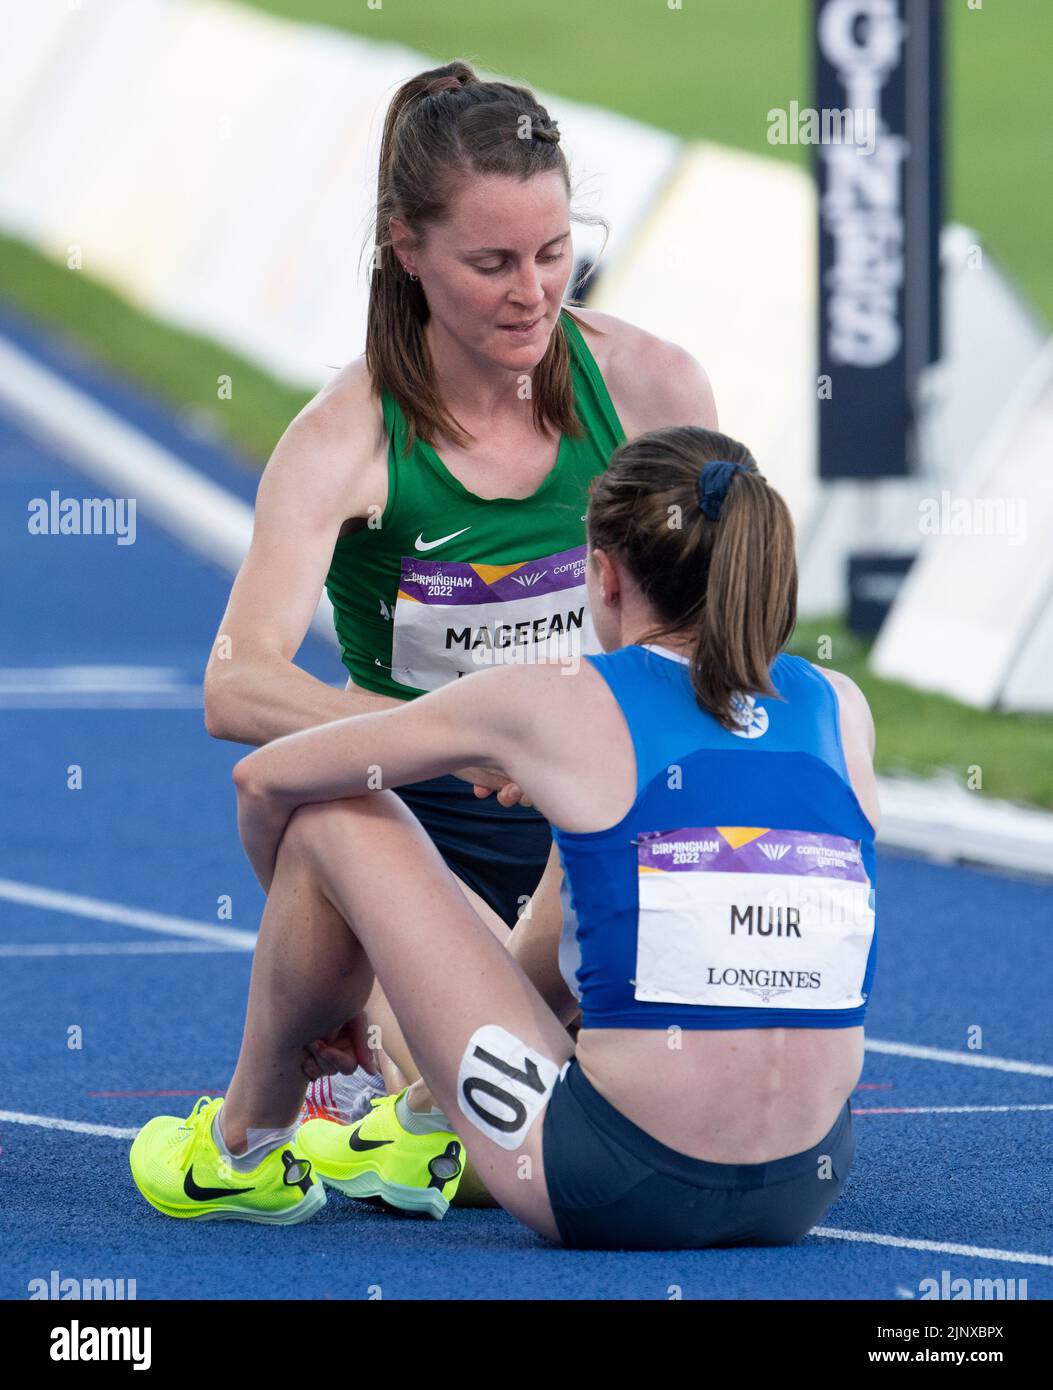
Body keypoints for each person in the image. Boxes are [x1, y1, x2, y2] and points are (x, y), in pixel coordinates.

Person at [130, 425, 880, 1250]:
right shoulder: (839, 708)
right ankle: (418, 1126)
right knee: (605, 869)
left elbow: (263, 778)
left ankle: (243, 1148)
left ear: (602, 574)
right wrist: (434, 1082)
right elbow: (559, 957)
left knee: (330, 814)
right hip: (804, 1186)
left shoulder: (553, 700)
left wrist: (324, 983)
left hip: (613, 1184)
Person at [200, 58, 717, 1140]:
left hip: (596, 811)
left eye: (554, 253)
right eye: (491, 264)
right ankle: (353, 1031)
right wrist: (459, 737)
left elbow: (722, 641)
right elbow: (238, 681)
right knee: (290, 797)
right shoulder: (342, 438)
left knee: (584, 1111)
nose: (533, 294)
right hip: (423, 815)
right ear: (407, 248)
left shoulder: (657, 391)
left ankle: (430, 1035)